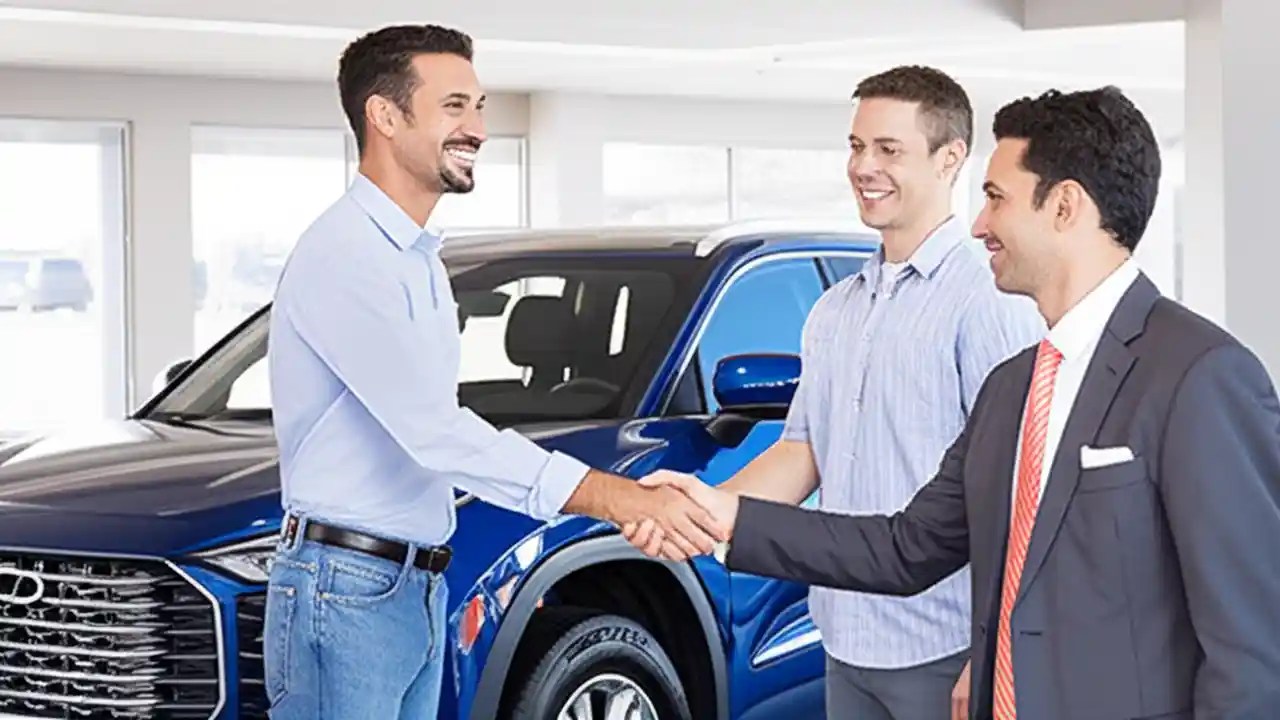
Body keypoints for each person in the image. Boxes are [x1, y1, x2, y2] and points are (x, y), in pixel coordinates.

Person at [634, 85, 1280, 719]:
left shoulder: (1201, 374)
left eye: (996, 199)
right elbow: (904, 549)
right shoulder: (1015, 385)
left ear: (1065, 207)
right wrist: (725, 518)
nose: (978, 224)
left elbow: (1252, 646)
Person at [262, 24, 722, 719]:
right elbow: (435, 433)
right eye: (454, 107)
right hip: (346, 589)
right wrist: (616, 497)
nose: (477, 127)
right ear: (384, 117)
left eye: (479, 107)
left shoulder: (417, 260)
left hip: (406, 585)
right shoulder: (346, 254)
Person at [626, 65, 1043, 719]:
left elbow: (1020, 491)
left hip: (944, 646)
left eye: (888, 150)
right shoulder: (834, 311)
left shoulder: (989, 301)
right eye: (856, 146)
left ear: (949, 158)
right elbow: (800, 456)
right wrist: (696, 507)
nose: (864, 166)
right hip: (845, 642)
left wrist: (991, 655)